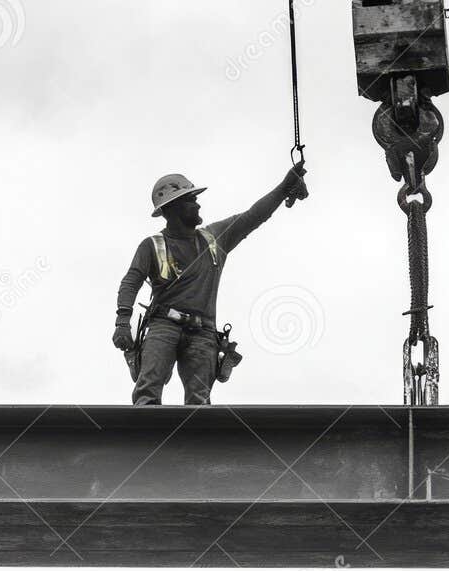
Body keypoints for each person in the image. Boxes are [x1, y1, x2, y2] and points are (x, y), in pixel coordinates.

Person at [113, 166, 308, 406]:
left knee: (199, 403)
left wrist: (286, 184)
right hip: (164, 326)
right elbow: (130, 282)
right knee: (148, 392)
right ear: (172, 208)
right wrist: (123, 321)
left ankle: (194, 443)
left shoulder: (214, 238)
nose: (198, 205)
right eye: (191, 200)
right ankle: (146, 440)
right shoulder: (152, 245)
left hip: (202, 333)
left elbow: (253, 216)